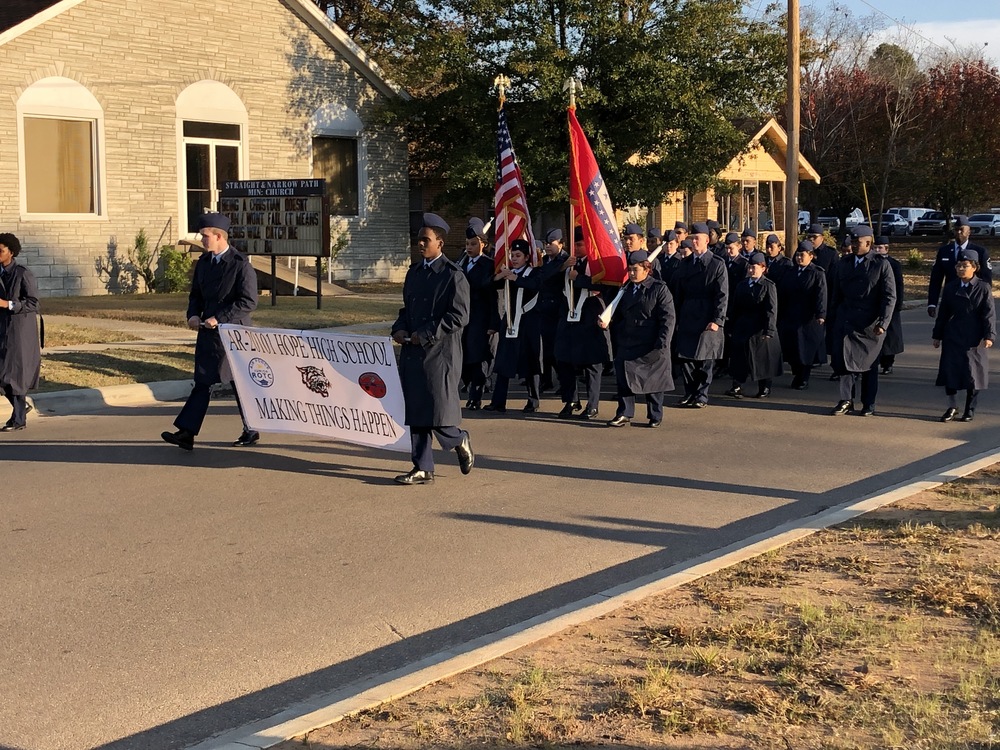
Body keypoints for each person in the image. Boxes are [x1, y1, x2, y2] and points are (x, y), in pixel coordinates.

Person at [161, 214, 259, 451]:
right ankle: (186, 432)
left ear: (218, 236)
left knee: (237, 382)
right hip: (208, 332)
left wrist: (220, 318)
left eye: (205, 236)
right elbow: (195, 294)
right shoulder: (204, 263)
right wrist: (193, 315)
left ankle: (252, 427)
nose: (202, 240)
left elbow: (248, 302)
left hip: (233, 334)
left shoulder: (240, 264)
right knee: (202, 381)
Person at [391, 213, 474, 484]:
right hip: (413, 352)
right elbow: (407, 309)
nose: (421, 244)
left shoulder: (453, 276)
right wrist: (400, 328)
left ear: (439, 243)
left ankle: (459, 439)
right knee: (416, 410)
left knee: (437, 411)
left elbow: (459, 316)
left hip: (440, 353)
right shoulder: (414, 272)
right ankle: (423, 467)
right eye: (419, 240)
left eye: (426, 240)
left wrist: (425, 334)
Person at [600, 250, 675, 427]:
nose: (632, 273)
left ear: (646, 269)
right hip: (628, 340)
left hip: (651, 342)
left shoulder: (659, 288)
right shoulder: (625, 289)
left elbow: (668, 318)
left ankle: (655, 414)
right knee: (625, 377)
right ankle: (624, 412)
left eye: (635, 270)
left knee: (653, 380)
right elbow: (617, 313)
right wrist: (607, 321)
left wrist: (663, 342)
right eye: (630, 270)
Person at [828, 225, 896, 417]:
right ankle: (846, 400)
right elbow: (836, 293)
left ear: (868, 242)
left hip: (869, 324)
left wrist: (883, 322)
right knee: (844, 362)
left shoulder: (880, 264)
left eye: (858, 242)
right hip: (846, 320)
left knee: (868, 365)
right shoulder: (844, 263)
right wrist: (833, 318)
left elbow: (889, 297)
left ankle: (868, 403)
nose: (854, 245)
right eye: (852, 241)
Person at [933, 249, 995, 423]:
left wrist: (989, 335)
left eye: (965, 266)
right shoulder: (951, 287)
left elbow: (989, 314)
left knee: (973, 375)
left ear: (974, 267)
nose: (961, 269)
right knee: (950, 373)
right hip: (953, 335)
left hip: (974, 338)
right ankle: (952, 406)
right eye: (959, 265)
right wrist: (937, 335)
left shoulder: (983, 288)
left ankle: (970, 408)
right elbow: (943, 313)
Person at [673, 222, 728, 408]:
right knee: (686, 358)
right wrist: (677, 318)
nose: (694, 242)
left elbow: (722, 295)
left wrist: (717, 320)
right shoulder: (685, 264)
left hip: (707, 315)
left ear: (706, 240)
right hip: (688, 314)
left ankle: (702, 395)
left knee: (705, 359)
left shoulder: (716, 264)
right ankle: (690, 392)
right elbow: (678, 293)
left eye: (697, 239)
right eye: (692, 239)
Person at [555, 246, 613, 420]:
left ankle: (592, 405)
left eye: (580, 244)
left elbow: (605, 283)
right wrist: (563, 267)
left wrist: (579, 278)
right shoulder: (566, 262)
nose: (577, 248)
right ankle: (571, 400)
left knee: (592, 364)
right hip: (568, 315)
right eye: (575, 244)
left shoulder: (597, 262)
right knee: (564, 359)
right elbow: (547, 279)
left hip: (590, 314)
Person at [486, 239, 544, 413]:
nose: (514, 259)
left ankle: (533, 401)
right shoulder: (508, 272)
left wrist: (516, 278)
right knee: (503, 361)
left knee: (530, 362)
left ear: (527, 257)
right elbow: (490, 285)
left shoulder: (533, 273)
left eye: (518, 256)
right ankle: (498, 402)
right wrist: (500, 276)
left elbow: (535, 286)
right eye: (512, 255)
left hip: (528, 323)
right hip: (510, 321)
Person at [0, 233, 40, 432]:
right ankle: (20, 409)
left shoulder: (23, 273)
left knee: (15, 374)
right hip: (2, 328)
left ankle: (18, 419)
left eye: (1, 250)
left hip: (19, 331)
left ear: (11, 252)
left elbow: (33, 303)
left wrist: (8, 304)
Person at [776, 241, 827, 390]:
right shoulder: (790, 272)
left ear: (811, 256)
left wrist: (821, 314)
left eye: (802, 255)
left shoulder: (817, 273)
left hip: (808, 318)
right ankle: (797, 372)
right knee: (792, 347)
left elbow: (821, 295)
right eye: (797, 255)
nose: (799, 258)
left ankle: (803, 376)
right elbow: (783, 293)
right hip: (791, 315)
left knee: (806, 349)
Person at [459, 218, 497, 410]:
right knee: (464, 357)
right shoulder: (461, 265)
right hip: (463, 318)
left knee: (478, 357)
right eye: (467, 244)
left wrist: (493, 323)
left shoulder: (488, 265)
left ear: (482, 244)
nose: (469, 247)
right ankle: (471, 385)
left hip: (480, 318)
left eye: (473, 244)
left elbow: (492, 297)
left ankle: (476, 395)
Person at [927, 215, 991, 319]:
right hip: (950, 297)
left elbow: (986, 279)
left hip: (972, 298)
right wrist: (932, 303)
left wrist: (985, 302)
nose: (959, 233)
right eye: (956, 230)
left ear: (969, 232)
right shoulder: (944, 251)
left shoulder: (980, 252)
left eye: (962, 230)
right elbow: (936, 279)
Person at [537, 229, 570, 392]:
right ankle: (546, 379)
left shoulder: (566, 260)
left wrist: (564, 267)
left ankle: (564, 383)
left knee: (559, 350)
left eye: (551, 243)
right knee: (547, 349)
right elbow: (543, 277)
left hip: (559, 309)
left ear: (561, 244)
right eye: (546, 243)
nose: (547, 246)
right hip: (544, 308)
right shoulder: (545, 261)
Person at [873, 235, 904, 375]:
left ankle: (888, 363)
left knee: (890, 337)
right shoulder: (871, 262)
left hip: (890, 305)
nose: (877, 250)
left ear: (886, 249)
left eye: (880, 248)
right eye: (875, 248)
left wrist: (897, 305)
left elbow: (899, 286)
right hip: (875, 304)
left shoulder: (894, 264)